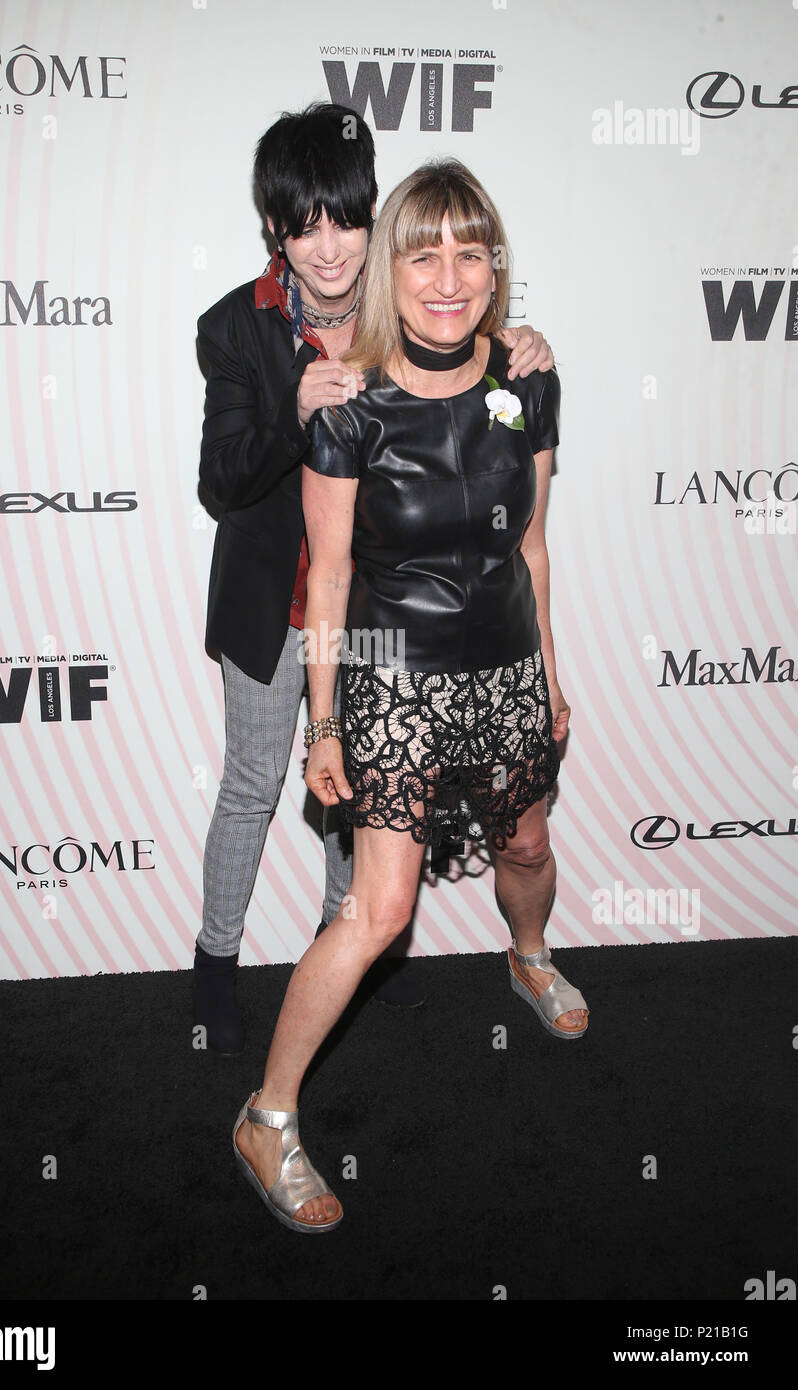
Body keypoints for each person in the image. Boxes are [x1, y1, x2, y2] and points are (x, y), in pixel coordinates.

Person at [232, 158, 587, 1232]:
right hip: (392, 678)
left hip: (508, 664)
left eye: (468, 253)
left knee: (525, 848)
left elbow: (531, 542)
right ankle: (268, 1115)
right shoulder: (348, 403)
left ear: (494, 268)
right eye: (424, 253)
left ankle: (528, 958)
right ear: (393, 266)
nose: (447, 277)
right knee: (378, 911)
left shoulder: (528, 381)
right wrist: (325, 721)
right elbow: (331, 575)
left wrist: (553, 675)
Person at [195, 104, 555, 1056]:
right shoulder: (236, 327)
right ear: (275, 226)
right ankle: (216, 972)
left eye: (346, 219)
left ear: (372, 220)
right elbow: (219, 481)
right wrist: (290, 413)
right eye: (304, 223)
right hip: (280, 602)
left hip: (378, 613)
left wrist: (520, 348)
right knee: (251, 787)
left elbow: (467, 366)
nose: (328, 247)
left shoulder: (405, 303)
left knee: (356, 800)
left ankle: (344, 955)